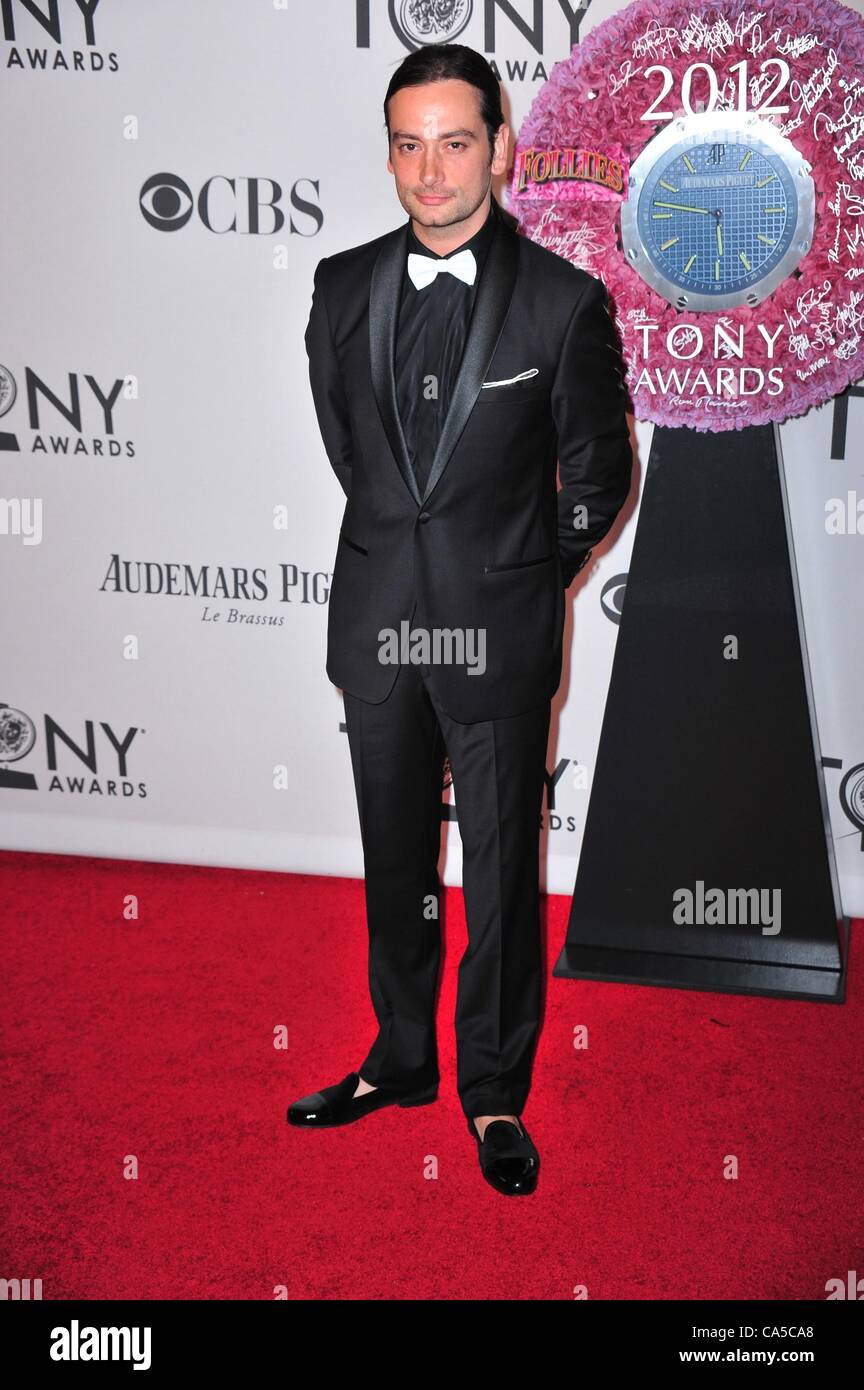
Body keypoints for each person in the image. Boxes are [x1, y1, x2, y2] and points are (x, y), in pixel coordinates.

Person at [289, 42, 632, 1196]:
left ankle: (492, 1089)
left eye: (454, 142)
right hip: (381, 624)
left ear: (500, 147)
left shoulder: (562, 303)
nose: (429, 171)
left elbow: (596, 472)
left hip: (497, 631)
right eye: (406, 144)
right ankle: (399, 1056)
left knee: (498, 869)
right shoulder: (340, 287)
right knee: (397, 863)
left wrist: (527, 574)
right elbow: (358, 457)